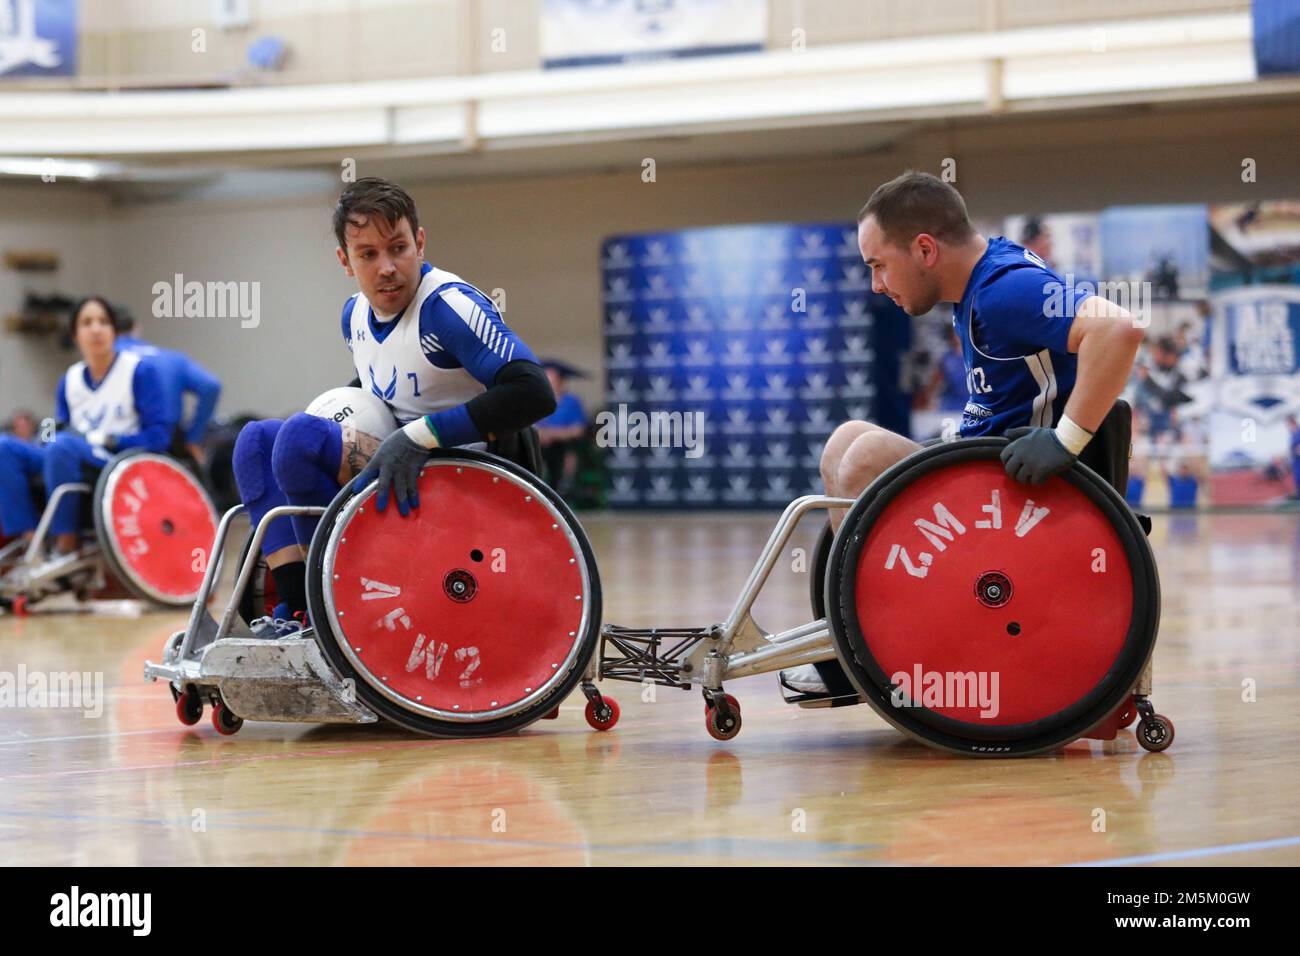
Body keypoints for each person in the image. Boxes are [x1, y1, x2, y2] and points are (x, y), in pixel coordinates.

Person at [781, 171, 1144, 704]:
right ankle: (859, 635)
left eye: (879, 265)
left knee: (866, 458)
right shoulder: (980, 285)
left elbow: (1118, 328)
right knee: (846, 440)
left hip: (1019, 502)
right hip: (985, 480)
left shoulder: (1003, 290)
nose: (876, 285)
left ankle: (875, 643)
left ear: (925, 248)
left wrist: (1066, 440)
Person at [230, 178, 555, 636]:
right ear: (345, 261)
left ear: (419, 243)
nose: (387, 267)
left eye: (398, 248)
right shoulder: (354, 316)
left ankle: (323, 609)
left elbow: (534, 392)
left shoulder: (447, 307)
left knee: (300, 438)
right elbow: (380, 388)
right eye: (368, 254)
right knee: (256, 440)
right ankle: (295, 607)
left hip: (464, 477)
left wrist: (419, 435)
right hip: (399, 463)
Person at [0, 297, 172, 578]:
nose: (95, 329)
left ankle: (67, 541)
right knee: (5, 447)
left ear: (115, 331)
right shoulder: (69, 379)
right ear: (75, 335)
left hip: (115, 462)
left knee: (63, 446)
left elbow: (159, 437)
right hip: (68, 452)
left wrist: (108, 439)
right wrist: (43, 437)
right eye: (86, 323)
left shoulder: (139, 370)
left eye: (103, 322)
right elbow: (56, 424)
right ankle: (29, 542)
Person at [116, 313, 223, 465]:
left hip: (121, 446)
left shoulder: (108, 362)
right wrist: (193, 438)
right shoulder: (172, 359)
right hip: (170, 447)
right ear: (137, 327)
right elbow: (211, 386)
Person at [535, 359, 589, 498]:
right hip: (539, 445)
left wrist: (554, 435)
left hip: (563, 446)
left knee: (568, 452)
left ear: (560, 382)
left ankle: (564, 486)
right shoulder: (534, 401)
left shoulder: (572, 402)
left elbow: (578, 429)